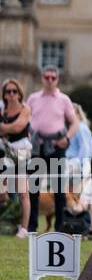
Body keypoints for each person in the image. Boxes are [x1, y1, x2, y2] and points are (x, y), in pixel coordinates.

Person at [25, 66, 80, 234]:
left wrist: (67, 138)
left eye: (53, 78)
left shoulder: (64, 99)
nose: (49, 80)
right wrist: (28, 137)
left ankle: (59, 227)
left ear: (57, 80)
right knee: (33, 189)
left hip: (56, 146)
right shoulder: (33, 98)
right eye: (46, 77)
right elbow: (26, 119)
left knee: (58, 189)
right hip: (37, 147)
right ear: (42, 78)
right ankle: (31, 227)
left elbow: (75, 122)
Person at [1, 78, 34, 238]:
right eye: (8, 91)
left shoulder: (25, 109)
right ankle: (9, 218)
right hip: (6, 152)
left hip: (22, 153)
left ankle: (24, 228)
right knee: (2, 190)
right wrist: (8, 129)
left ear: (19, 93)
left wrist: (4, 128)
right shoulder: (3, 111)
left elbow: (18, 126)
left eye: (14, 91)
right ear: (5, 95)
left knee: (23, 192)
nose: (12, 94)